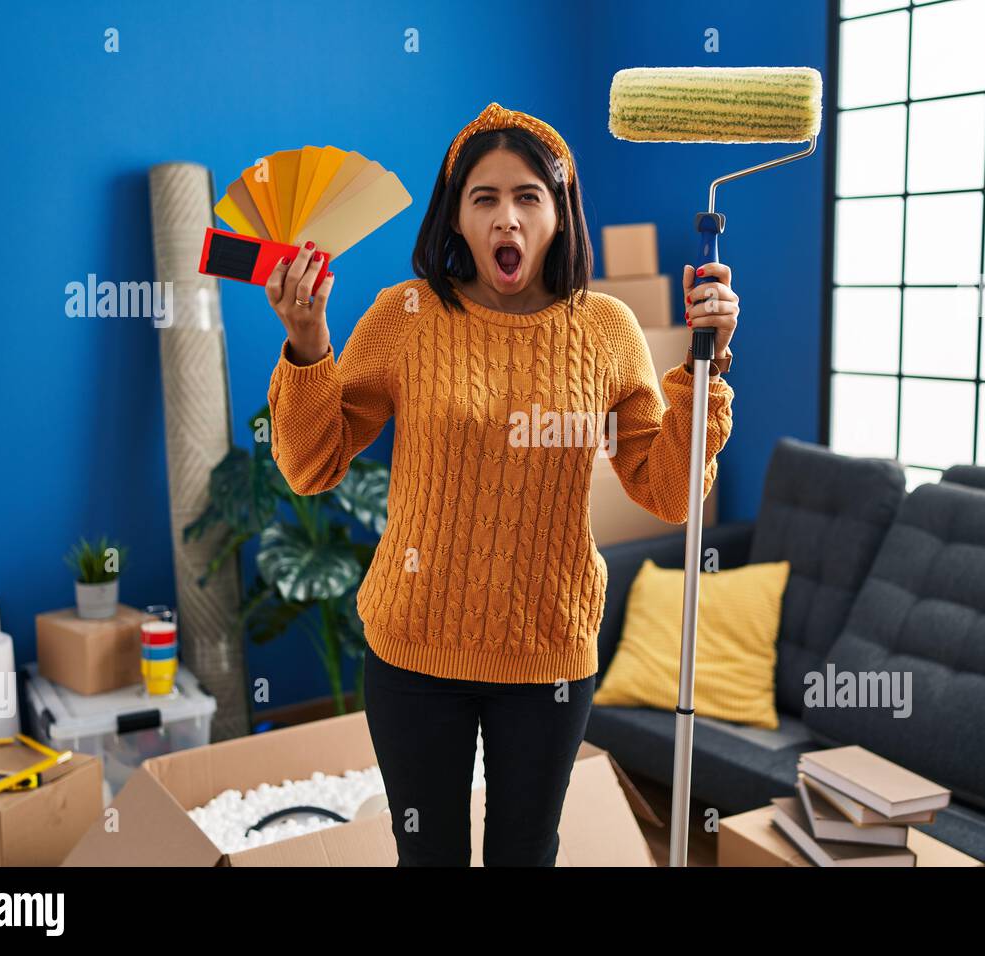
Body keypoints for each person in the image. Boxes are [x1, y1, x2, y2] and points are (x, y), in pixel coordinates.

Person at [264, 102, 738, 866]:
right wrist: (308, 341)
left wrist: (705, 366)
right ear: (454, 218)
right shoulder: (406, 316)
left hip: (548, 654)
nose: (506, 219)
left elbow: (668, 492)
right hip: (415, 653)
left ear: (558, 215)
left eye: (528, 197)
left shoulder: (607, 329)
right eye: (483, 199)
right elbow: (310, 465)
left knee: (525, 854)